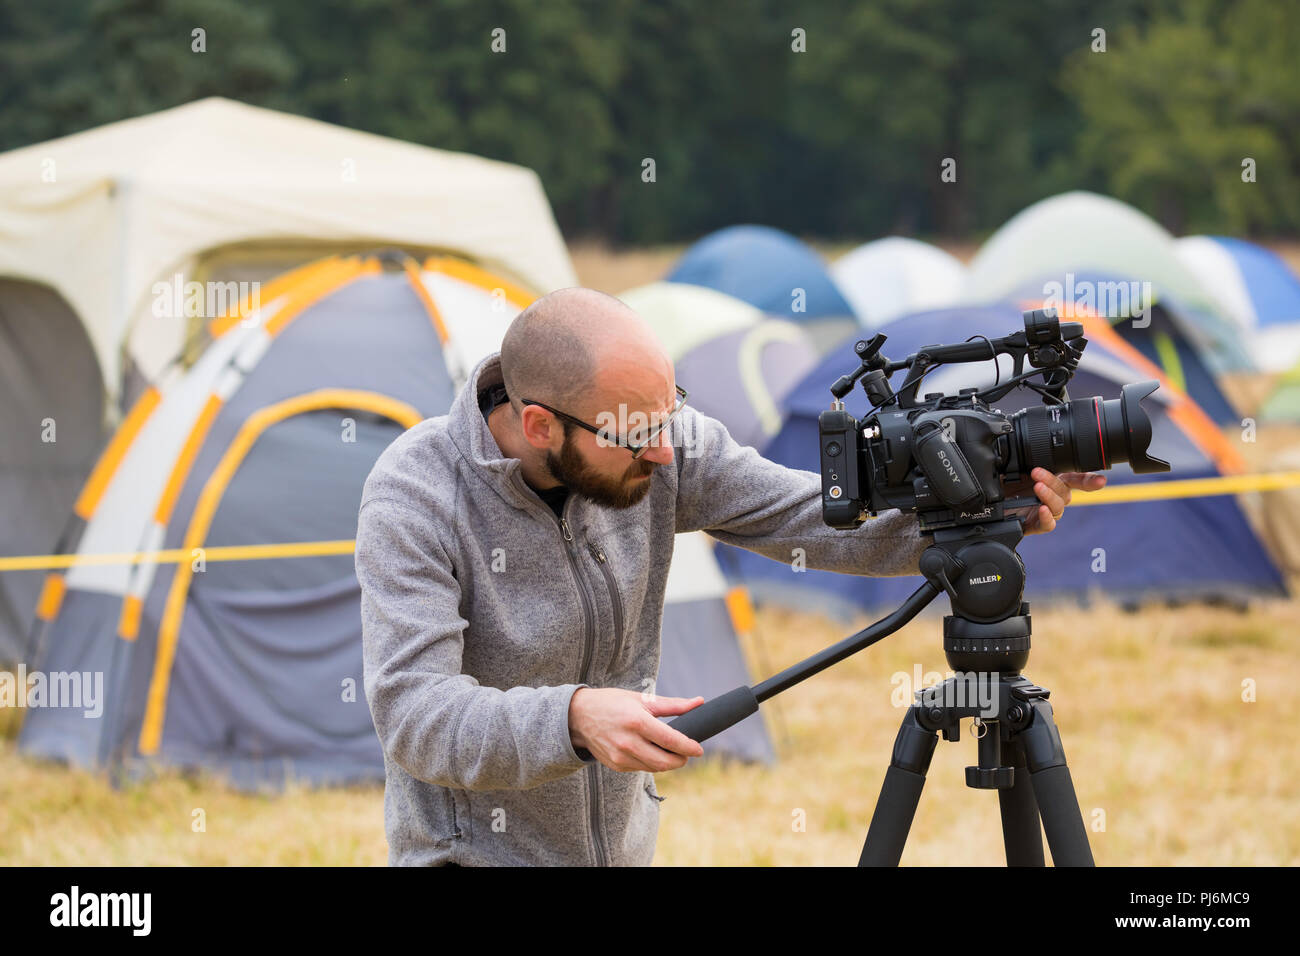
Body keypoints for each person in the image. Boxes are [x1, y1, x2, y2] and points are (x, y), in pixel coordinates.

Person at [354, 287, 1103, 866]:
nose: (666, 455)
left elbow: (815, 522)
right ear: (542, 425)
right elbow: (417, 716)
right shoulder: (417, 497)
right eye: (639, 434)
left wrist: (984, 508)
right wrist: (573, 717)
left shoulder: (656, 434)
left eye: (668, 414)